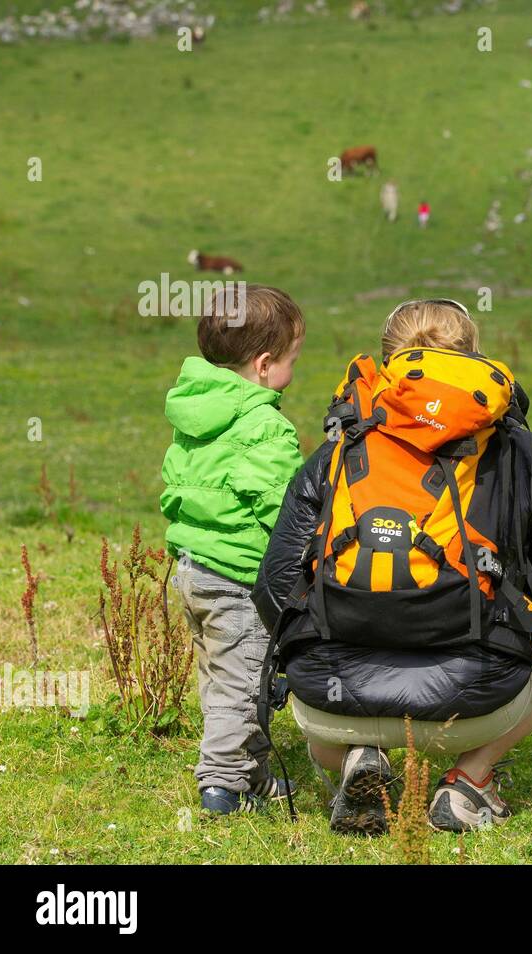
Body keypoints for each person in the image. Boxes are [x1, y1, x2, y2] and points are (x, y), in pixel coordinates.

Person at [253, 299, 532, 835]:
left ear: (389, 363)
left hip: (328, 704)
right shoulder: (522, 449)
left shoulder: (342, 442)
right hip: (474, 702)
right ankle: (468, 782)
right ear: (472, 357)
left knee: (328, 697)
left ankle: (358, 756)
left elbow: (274, 585)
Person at [160, 285, 305, 815]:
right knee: (243, 683)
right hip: (239, 577)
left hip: (193, 570)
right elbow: (284, 512)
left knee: (227, 678)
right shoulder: (265, 427)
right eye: (292, 360)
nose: (295, 370)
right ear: (265, 365)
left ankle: (254, 773)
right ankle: (221, 787)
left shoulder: (197, 410)